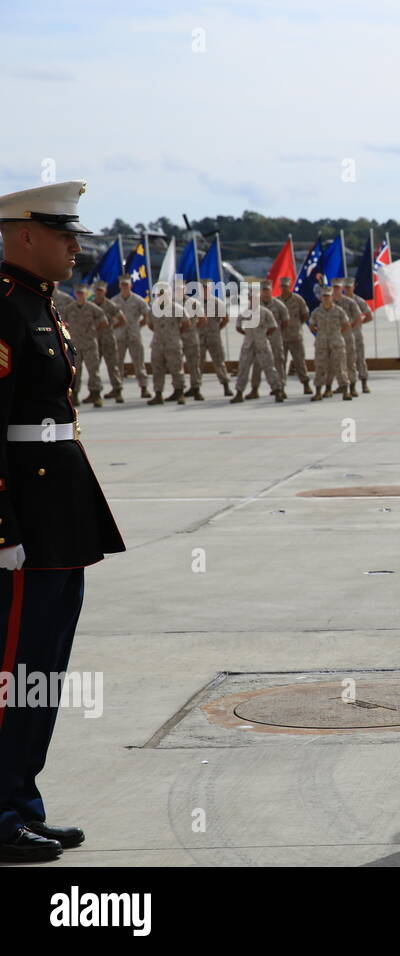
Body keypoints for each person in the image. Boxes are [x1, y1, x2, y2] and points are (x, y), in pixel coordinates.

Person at [0, 180, 126, 862]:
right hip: (23, 526)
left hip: (58, 518)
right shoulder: (4, 309)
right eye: (63, 234)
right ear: (24, 235)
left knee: (42, 671)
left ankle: (21, 801)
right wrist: (3, 532)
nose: (76, 246)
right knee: (13, 672)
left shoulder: (43, 308)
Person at [230, 281, 286, 403]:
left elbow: (273, 326)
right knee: (243, 369)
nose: (253, 299)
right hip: (248, 345)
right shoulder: (245, 312)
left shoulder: (265, 312)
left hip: (262, 345)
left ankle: (278, 391)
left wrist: (264, 335)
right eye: (251, 297)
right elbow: (238, 326)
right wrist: (247, 334)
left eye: (255, 297)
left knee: (269, 368)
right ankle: (239, 392)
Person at [61, 284, 108, 407]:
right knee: (76, 371)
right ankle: (74, 395)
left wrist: (94, 330)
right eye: (78, 293)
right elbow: (61, 321)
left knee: (93, 370)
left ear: (86, 294)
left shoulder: (92, 308)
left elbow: (104, 320)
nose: (80, 295)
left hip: (90, 344)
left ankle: (96, 394)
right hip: (75, 345)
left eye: (82, 293)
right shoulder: (69, 308)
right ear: (75, 294)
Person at [145, 280, 189, 404]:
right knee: (157, 370)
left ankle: (179, 393)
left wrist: (175, 333)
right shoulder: (153, 309)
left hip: (173, 344)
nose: (161, 296)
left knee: (176, 369)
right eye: (159, 294)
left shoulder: (177, 308)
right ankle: (158, 394)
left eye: (164, 293)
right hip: (158, 344)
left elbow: (186, 323)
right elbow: (150, 325)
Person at [111, 275, 151, 399]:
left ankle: (144, 388)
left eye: (126, 285)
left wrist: (138, 326)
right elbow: (109, 316)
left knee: (139, 362)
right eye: (122, 285)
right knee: (118, 363)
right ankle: (118, 390)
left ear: (130, 285)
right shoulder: (114, 301)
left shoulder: (138, 300)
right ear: (119, 286)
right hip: (120, 336)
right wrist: (115, 326)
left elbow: (146, 315)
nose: (124, 287)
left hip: (134, 335)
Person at [308, 286, 350, 400]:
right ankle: (318, 392)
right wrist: (320, 334)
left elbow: (346, 324)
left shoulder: (339, 311)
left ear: (332, 297)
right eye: (324, 296)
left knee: (340, 366)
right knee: (320, 366)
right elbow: (311, 326)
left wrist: (336, 333)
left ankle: (345, 391)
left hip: (336, 341)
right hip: (321, 343)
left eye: (328, 296)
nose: (326, 298)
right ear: (321, 297)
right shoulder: (316, 312)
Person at [197, 279, 233, 397]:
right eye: (203, 287)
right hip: (200, 338)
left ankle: (226, 386)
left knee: (219, 362)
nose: (205, 290)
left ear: (211, 288)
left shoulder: (217, 303)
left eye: (207, 287)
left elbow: (225, 319)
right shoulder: (195, 303)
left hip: (214, 338)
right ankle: (195, 388)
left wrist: (217, 329)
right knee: (197, 364)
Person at [277, 276, 312, 394]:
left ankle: (306, 384)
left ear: (289, 286)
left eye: (286, 286)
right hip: (282, 338)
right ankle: (281, 387)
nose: (284, 289)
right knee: (281, 363)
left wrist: (297, 325)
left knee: (300, 362)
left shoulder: (298, 299)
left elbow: (305, 314)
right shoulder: (277, 301)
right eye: (282, 286)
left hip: (296, 336)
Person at [89, 281, 124, 402]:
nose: (99, 293)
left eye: (101, 291)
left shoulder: (111, 305)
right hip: (95, 340)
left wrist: (111, 328)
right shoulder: (91, 305)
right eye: (97, 291)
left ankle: (117, 390)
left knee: (112, 366)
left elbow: (123, 320)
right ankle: (95, 392)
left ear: (105, 291)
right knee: (93, 367)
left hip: (108, 340)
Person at [344, 277, 372, 393]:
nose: (347, 289)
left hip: (356, 335)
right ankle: (347, 385)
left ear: (353, 287)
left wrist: (358, 323)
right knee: (345, 361)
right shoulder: (341, 301)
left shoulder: (359, 301)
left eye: (349, 287)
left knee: (359, 359)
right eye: (346, 287)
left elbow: (369, 316)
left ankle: (364, 383)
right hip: (344, 337)